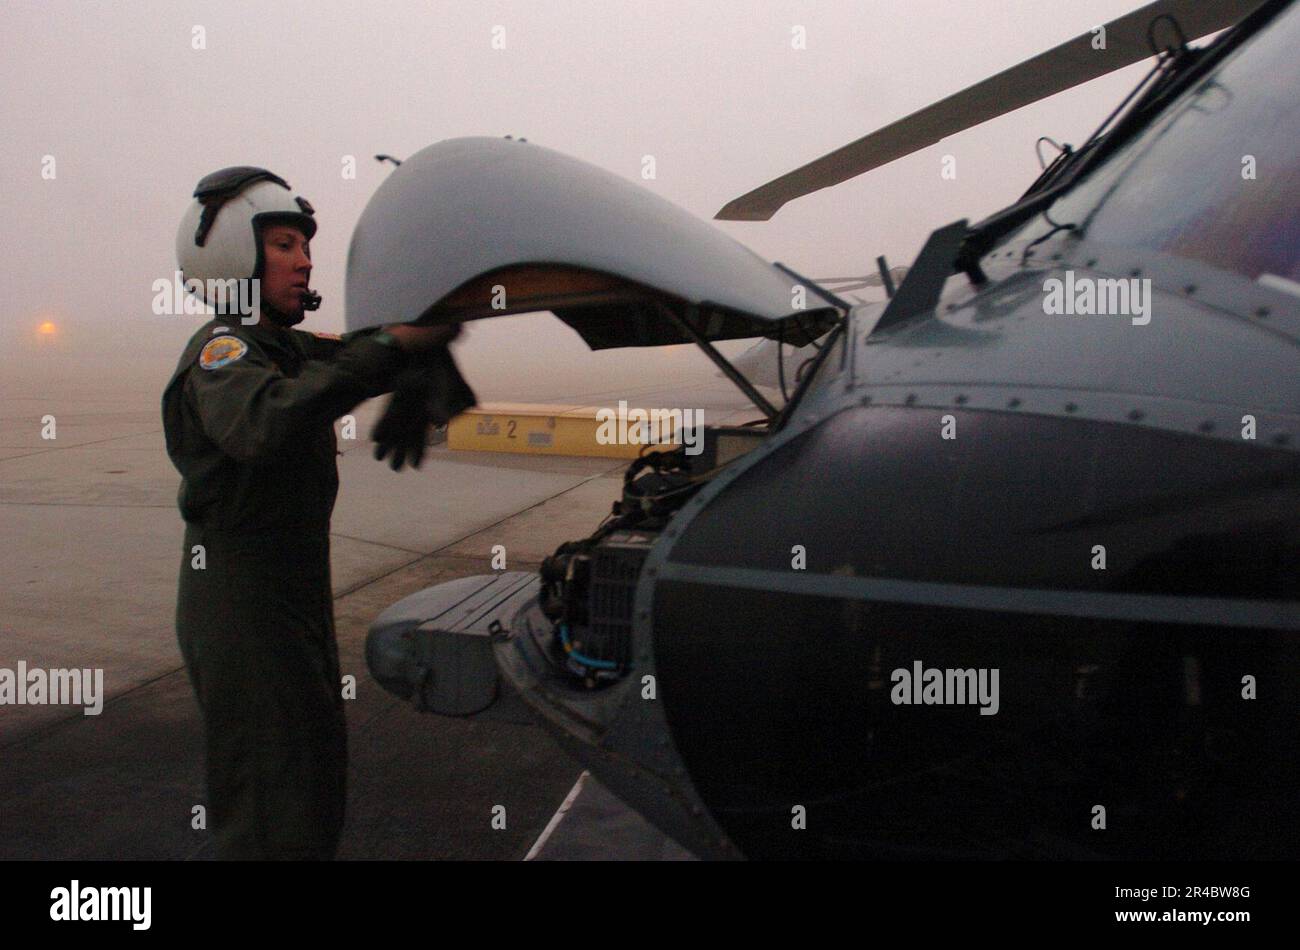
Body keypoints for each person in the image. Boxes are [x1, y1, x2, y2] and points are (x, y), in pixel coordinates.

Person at [162, 166, 473, 859]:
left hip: (288, 594)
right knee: (271, 802)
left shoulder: (282, 347)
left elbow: (359, 353)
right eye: (282, 244)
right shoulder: (226, 353)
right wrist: (391, 350)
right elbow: (262, 424)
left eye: (305, 245)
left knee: (309, 776)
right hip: (243, 603)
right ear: (230, 258)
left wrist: (413, 352)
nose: (304, 260)